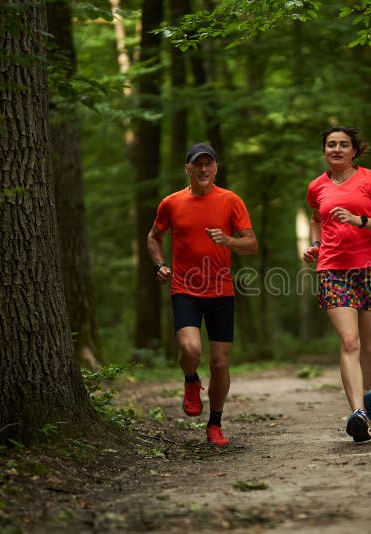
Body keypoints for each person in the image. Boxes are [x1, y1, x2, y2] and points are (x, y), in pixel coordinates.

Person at [147, 143, 258, 446]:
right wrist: (159, 265)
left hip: (221, 289)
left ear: (216, 168)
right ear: (188, 169)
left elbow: (251, 244)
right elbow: (154, 237)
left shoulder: (231, 200)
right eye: (198, 164)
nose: (204, 169)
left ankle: (215, 423)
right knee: (192, 349)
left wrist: (228, 240)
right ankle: (191, 380)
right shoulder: (171, 203)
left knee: (220, 362)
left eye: (209, 164)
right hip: (185, 288)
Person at [302, 126, 371, 443]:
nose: (337, 149)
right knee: (350, 341)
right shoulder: (316, 186)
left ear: (354, 151)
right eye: (331, 144)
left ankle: (367, 392)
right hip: (333, 270)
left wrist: (360, 221)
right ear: (324, 150)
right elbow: (317, 218)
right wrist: (314, 245)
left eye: (344, 144)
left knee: (369, 345)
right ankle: (357, 413)